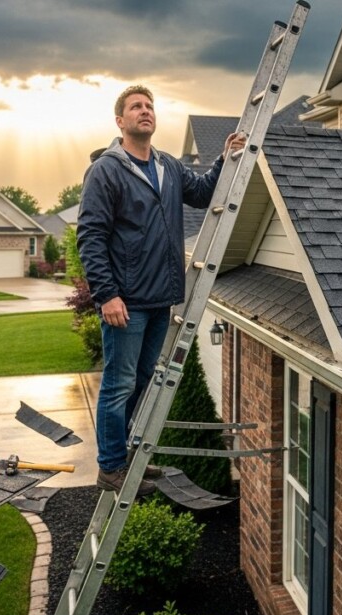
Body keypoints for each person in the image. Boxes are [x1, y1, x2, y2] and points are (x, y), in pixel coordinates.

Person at [78, 85, 245, 495]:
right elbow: (91, 235)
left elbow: (204, 193)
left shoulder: (168, 166)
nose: (145, 111)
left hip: (159, 299)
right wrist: (106, 295)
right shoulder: (107, 170)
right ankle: (111, 466)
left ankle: (130, 455)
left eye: (150, 106)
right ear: (120, 121)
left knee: (140, 383)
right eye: (136, 107)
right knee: (118, 384)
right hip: (126, 301)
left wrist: (224, 158)